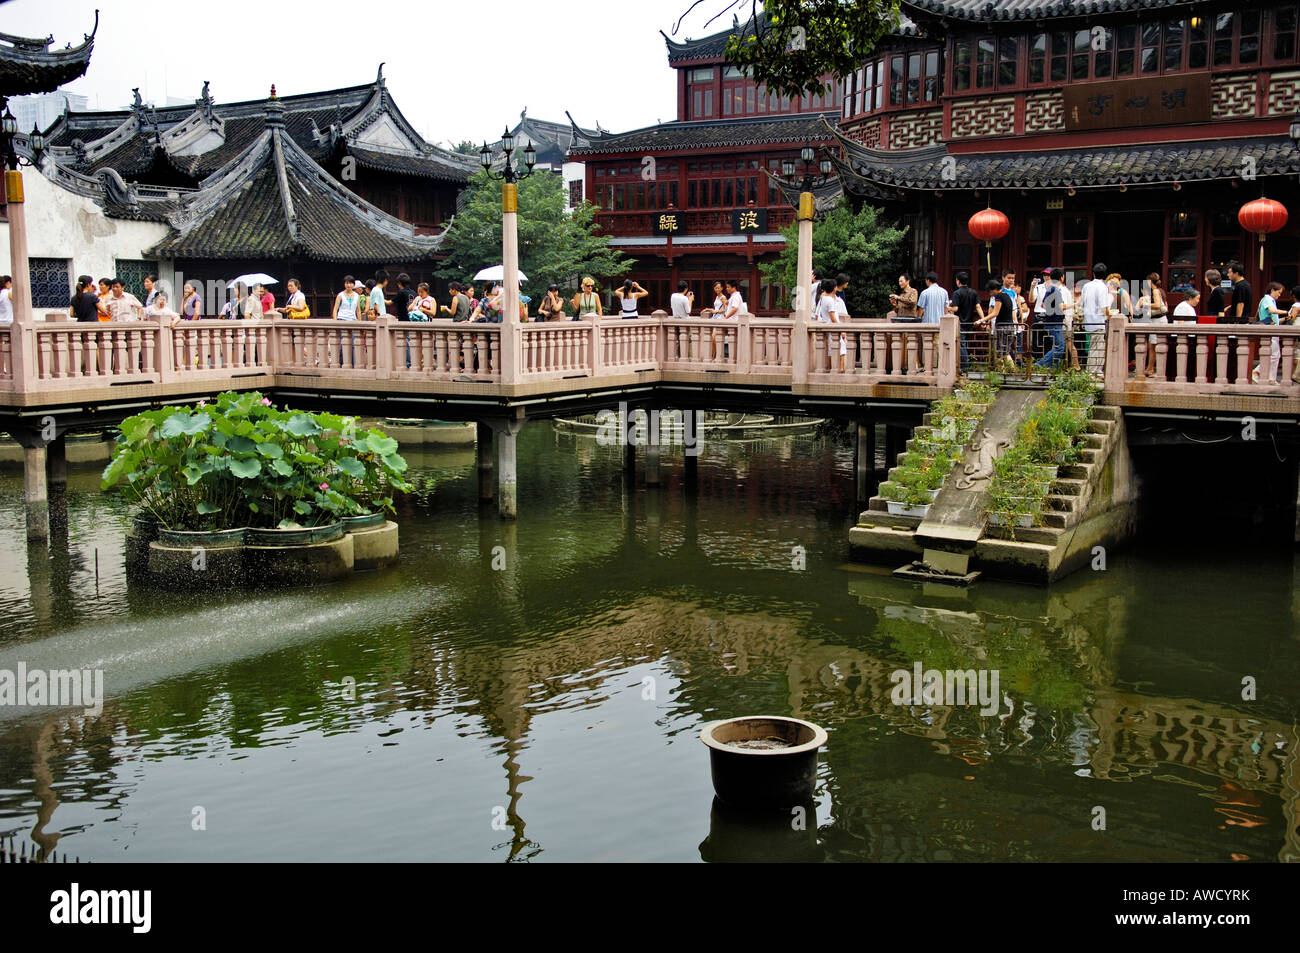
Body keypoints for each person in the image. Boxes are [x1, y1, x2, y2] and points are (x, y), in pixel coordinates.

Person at [1081, 263, 1112, 377]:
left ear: (1093, 274)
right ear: (1104, 275)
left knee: (1094, 346)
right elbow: (1104, 307)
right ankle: (1092, 371)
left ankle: (1096, 371)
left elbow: (1083, 302)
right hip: (1098, 320)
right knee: (1097, 347)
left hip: (1088, 320)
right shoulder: (1103, 287)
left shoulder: (1086, 286)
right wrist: (1110, 315)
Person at [1035, 269, 1069, 369]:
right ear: (1062, 277)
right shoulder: (1056, 290)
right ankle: (1040, 365)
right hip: (1054, 321)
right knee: (1060, 347)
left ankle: (1051, 368)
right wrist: (1076, 304)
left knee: (1057, 346)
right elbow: (1061, 306)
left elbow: (1043, 304)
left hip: (1050, 320)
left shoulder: (1050, 289)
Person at [949, 270, 983, 369]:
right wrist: (983, 319)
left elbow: (955, 308)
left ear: (958, 281)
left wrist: (948, 307)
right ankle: (966, 364)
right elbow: (978, 307)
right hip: (970, 322)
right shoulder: (973, 292)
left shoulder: (957, 293)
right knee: (966, 344)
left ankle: (965, 367)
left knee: (962, 345)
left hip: (960, 323)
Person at [1255, 279, 1286, 383]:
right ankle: (1258, 371)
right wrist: (1286, 312)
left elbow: (1274, 319)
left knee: (1274, 355)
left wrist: (1285, 319)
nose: (1279, 295)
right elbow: (1272, 311)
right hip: (1270, 330)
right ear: (1273, 290)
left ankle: (1271, 378)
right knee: (1274, 354)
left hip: (1271, 328)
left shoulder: (1269, 300)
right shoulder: (1268, 299)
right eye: (1279, 292)